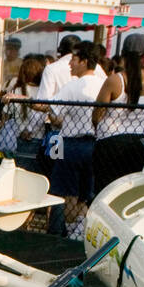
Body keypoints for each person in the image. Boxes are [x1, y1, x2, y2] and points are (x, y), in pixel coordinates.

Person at [44, 42, 106, 239]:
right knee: (87, 191)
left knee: (67, 191)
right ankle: (81, 228)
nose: (70, 64)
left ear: (84, 61)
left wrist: (57, 119)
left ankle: (70, 232)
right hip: (97, 144)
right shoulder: (104, 83)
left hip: (70, 144)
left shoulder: (72, 86)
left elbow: (53, 111)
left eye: (74, 60)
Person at [93, 33, 144, 194]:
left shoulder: (116, 80)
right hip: (139, 140)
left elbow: (97, 112)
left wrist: (96, 125)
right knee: (128, 189)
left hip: (110, 139)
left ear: (123, 55)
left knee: (105, 190)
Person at [3, 55, 48, 174]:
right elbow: (45, 113)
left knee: (19, 171)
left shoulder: (16, 91)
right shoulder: (43, 90)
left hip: (19, 136)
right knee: (35, 172)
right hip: (39, 136)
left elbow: (6, 114)